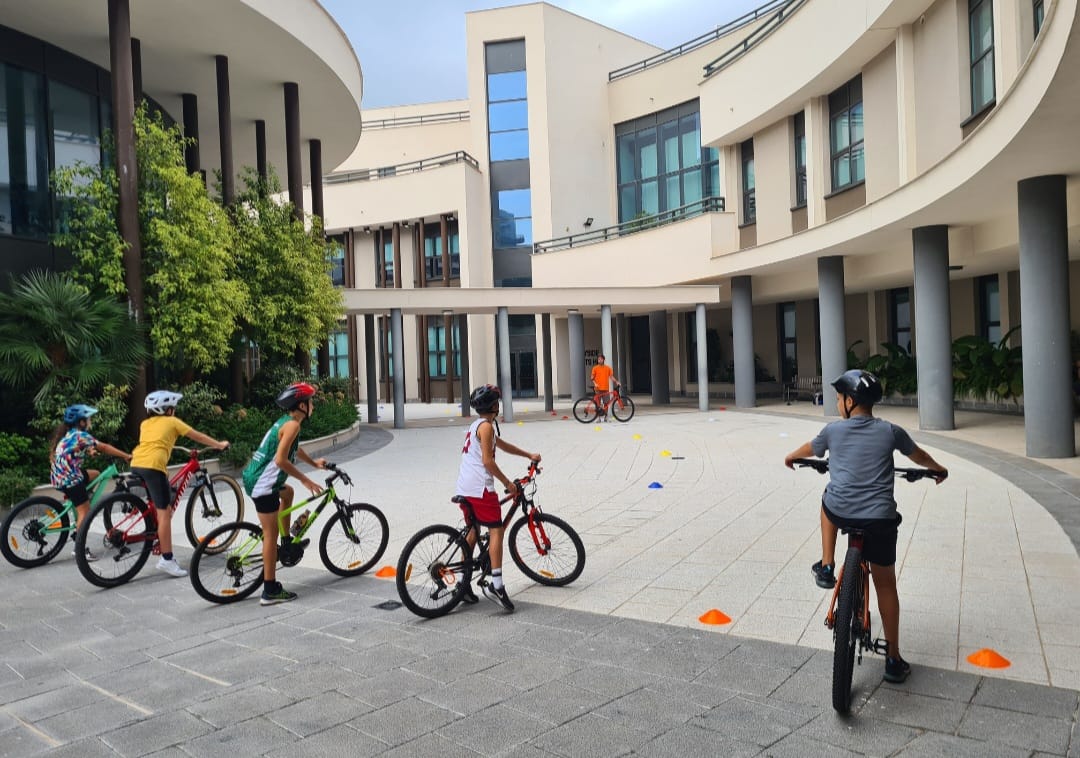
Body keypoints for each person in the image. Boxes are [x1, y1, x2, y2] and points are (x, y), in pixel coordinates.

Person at [783, 369, 948, 684]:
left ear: (849, 401)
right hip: (880, 519)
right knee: (885, 584)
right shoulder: (891, 431)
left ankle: (828, 565)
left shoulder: (833, 431)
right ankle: (893, 659)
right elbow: (920, 455)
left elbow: (809, 449)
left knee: (827, 499)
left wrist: (791, 457)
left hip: (842, 512)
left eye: (839, 398)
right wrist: (938, 469)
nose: (837, 402)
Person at [456, 384, 540, 612]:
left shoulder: (478, 425)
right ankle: (497, 584)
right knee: (496, 530)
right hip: (481, 488)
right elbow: (487, 461)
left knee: (472, 531)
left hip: (465, 487)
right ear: (494, 406)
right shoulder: (487, 428)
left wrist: (527, 454)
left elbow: (502, 446)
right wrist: (507, 483)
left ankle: (462, 584)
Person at [241, 382, 326, 606]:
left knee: (287, 493)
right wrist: (306, 478)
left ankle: (286, 540)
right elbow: (280, 460)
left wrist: (314, 463)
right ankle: (270, 590)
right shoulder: (292, 426)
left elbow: (294, 448)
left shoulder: (288, 423)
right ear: (301, 405)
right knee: (269, 535)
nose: (313, 405)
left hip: (257, 479)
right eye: (311, 402)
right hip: (262, 485)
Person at [129, 390, 229, 578]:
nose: (174, 411)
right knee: (164, 512)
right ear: (167, 410)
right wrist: (218, 444)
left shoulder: (145, 423)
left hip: (137, 463)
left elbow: (157, 440)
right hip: (154, 466)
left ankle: (157, 535)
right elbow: (197, 436)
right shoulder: (172, 422)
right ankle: (167, 559)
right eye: (172, 408)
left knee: (163, 496)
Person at [49, 404, 133, 561]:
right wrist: (125, 456)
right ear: (81, 422)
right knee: (85, 512)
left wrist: (90, 450)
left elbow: (76, 447)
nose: (90, 421)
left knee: (96, 474)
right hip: (70, 480)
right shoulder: (82, 436)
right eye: (88, 418)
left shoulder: (69, 434)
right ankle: (79, 549)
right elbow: (105, 447)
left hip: (59, 477)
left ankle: (82, 496)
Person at [590, 354, 620, 418]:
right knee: (598, 404)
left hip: (605, 388)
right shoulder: (595, 368)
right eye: (598, 359)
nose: (599, 360)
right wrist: (595, 383)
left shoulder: (608, 368)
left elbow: (611, 377)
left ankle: (606, 417)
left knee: (606, 403)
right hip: (597, 389)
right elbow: (592, 377)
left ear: (603, 360)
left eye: (601, 359)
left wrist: (616, 382)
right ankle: (598, 418)